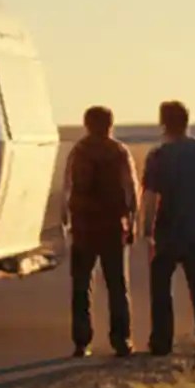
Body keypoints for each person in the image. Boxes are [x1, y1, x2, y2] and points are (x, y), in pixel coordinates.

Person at [140, 100, 195, 361]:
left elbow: (150, 196)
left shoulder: (159, 155)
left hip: (168, 231)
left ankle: (162, 340)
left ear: (164, 124)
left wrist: (146, 228)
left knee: (161, 287)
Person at [61, 105, 140, 358]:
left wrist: (67, 221)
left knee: (81, 286)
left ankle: (81, 342)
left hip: (84, 227)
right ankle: (122, 340)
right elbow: (131, 187)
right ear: (110, 124)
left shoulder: (78, 151)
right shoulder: (118, 151)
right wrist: (133, 221)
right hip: (112, 227)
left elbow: (66, 188)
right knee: (117, 285)